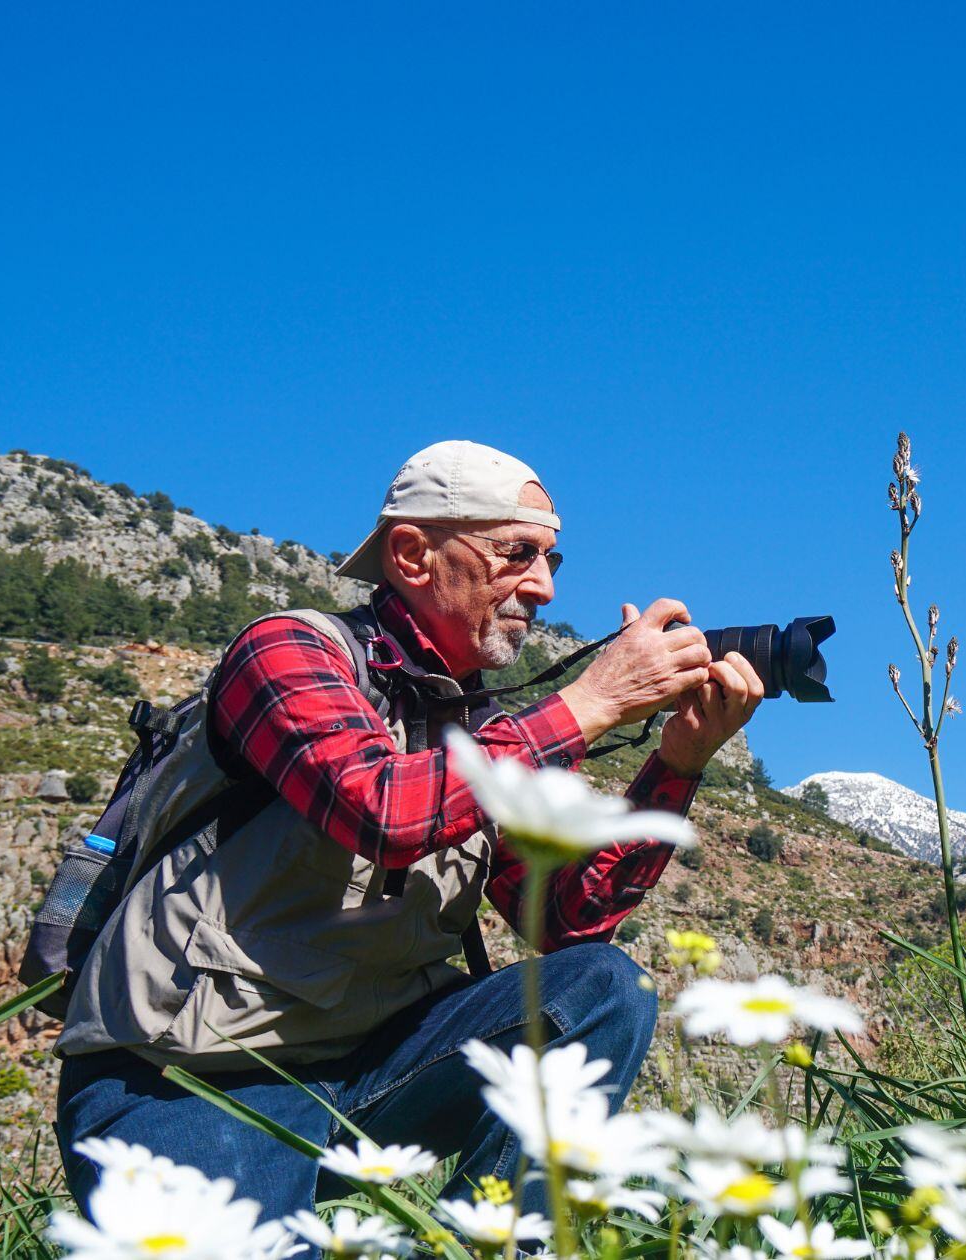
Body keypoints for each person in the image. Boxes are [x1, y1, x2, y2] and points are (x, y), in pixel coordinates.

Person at [53, 440, 761, 1222]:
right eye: (517, 553)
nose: (546, 588)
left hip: (371, 1071)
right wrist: (589, 704)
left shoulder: (490, 730)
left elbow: (570, 919)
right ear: (412, 554)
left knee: (603, 988)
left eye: (552, 559)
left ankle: (485, 1240)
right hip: (186, 1076)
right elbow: (379, 810)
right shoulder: (287, 649)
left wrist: (679, 763)